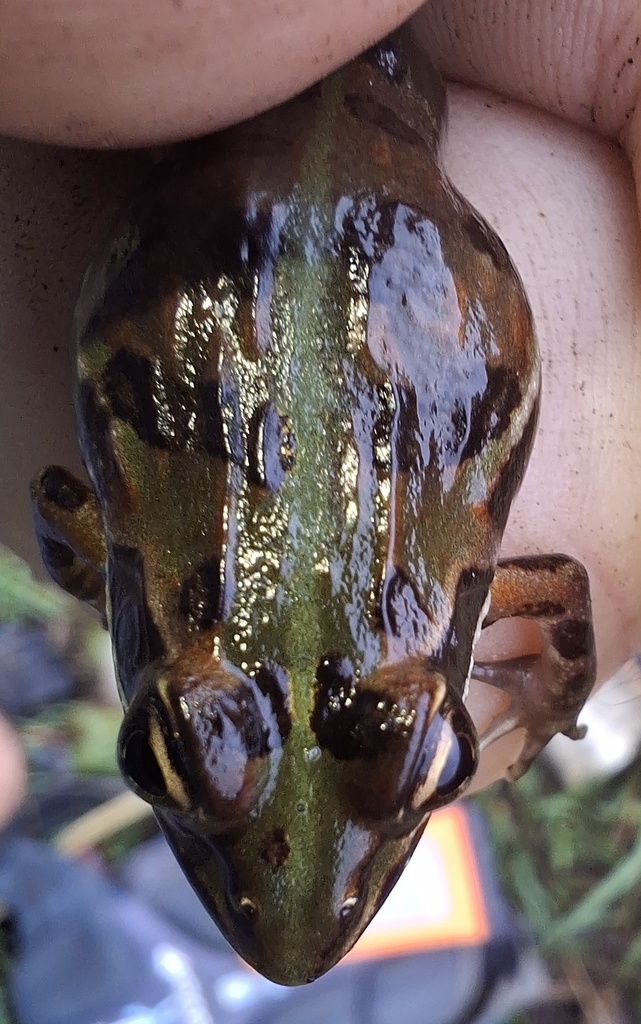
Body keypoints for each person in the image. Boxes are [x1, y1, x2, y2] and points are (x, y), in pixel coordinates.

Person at [0, 0, 639, 821]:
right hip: (285, 117)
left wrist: (553, 691)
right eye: (422, 750)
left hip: (259, 131)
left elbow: (558, 591)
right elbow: (57, 506)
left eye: (181, 748)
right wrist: (107, 583)